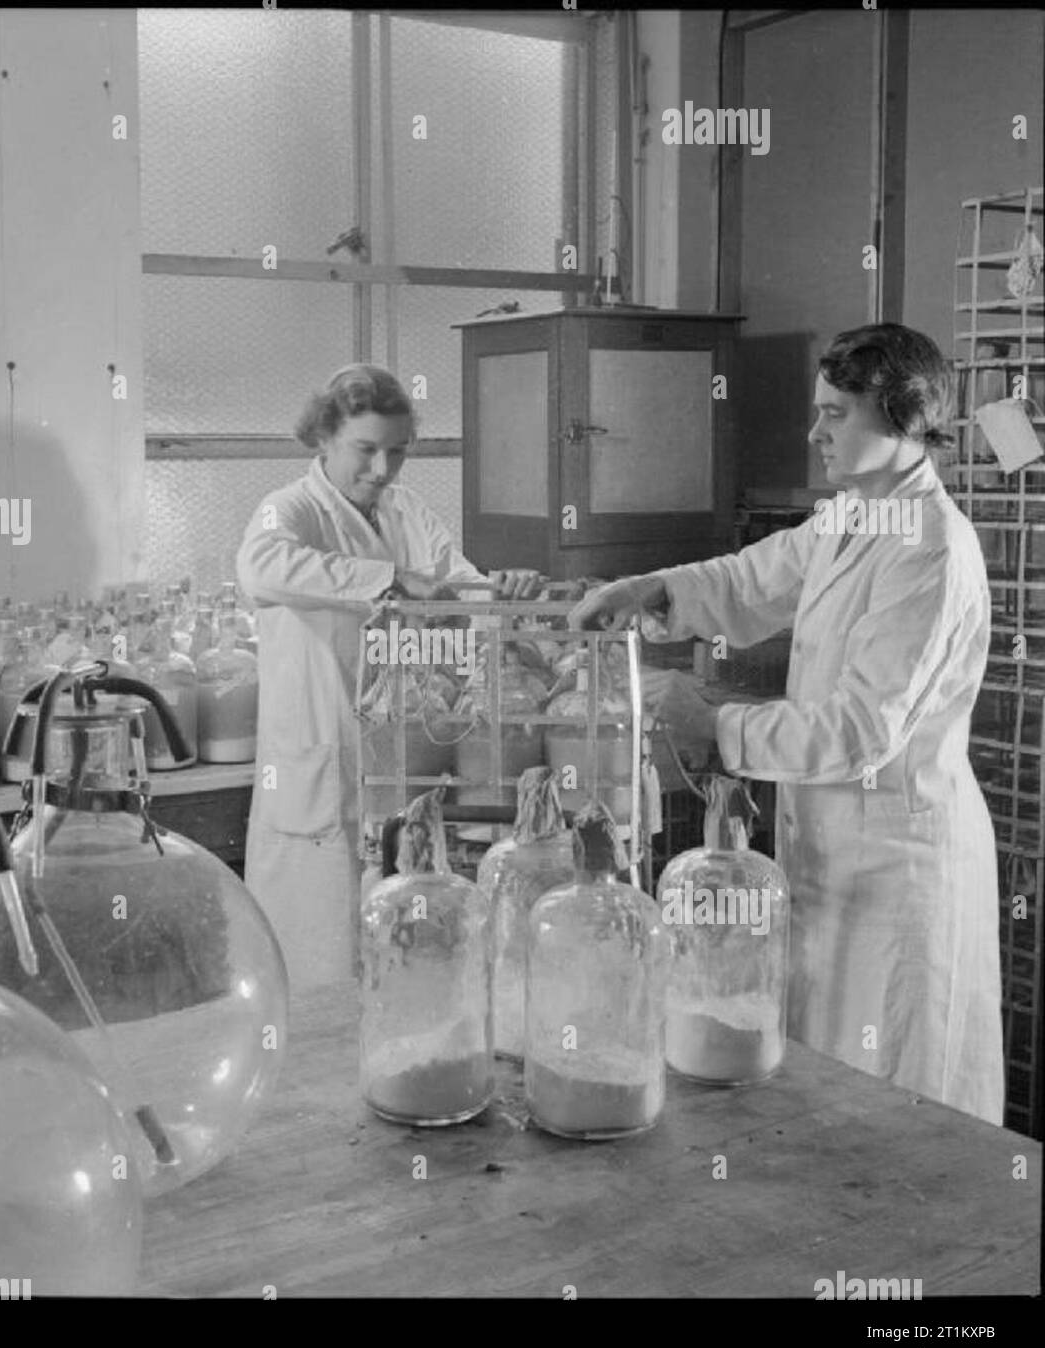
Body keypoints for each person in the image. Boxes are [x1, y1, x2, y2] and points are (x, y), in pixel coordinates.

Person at [570, 323, 1004, 1125]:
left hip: (898, 869)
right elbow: (752, 578)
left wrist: (718, 729)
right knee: (832, 1094)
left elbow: (859, 731)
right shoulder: (857, 516)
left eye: (836, 414)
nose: (815, 433)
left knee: (901, 1108)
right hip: (834, 859)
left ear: (905, 418)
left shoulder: (932, 550)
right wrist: (651, 590)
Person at [238, 364, 543, 989]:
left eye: (397, 452)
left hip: (402, 750)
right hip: (321, 758)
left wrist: (504, 590)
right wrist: (388, 580)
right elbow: (261, 567)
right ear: (324, 438)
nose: (382, 469)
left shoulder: (406, 512)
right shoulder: (289, 510)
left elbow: (462, 592)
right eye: (366, 450)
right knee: (316, 959)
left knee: (401, 953)